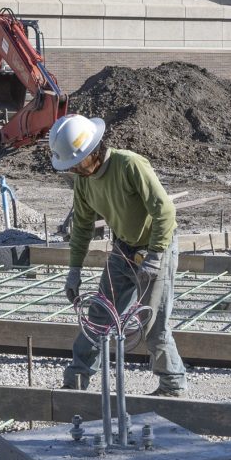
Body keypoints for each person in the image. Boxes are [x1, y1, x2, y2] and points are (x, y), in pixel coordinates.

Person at [48, 113, 186, 397]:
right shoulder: (84, 182)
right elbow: (83, 227)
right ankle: (76, 380)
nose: (73, 170)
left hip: (155, 248)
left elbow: (165, 212)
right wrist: (74, 270)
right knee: (98, 316)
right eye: (70, 166)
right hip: (124, 250)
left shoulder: (129, 164)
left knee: (153, 323)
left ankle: (173, 387)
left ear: (93, 151)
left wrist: (156, 256)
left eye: (76, 163)